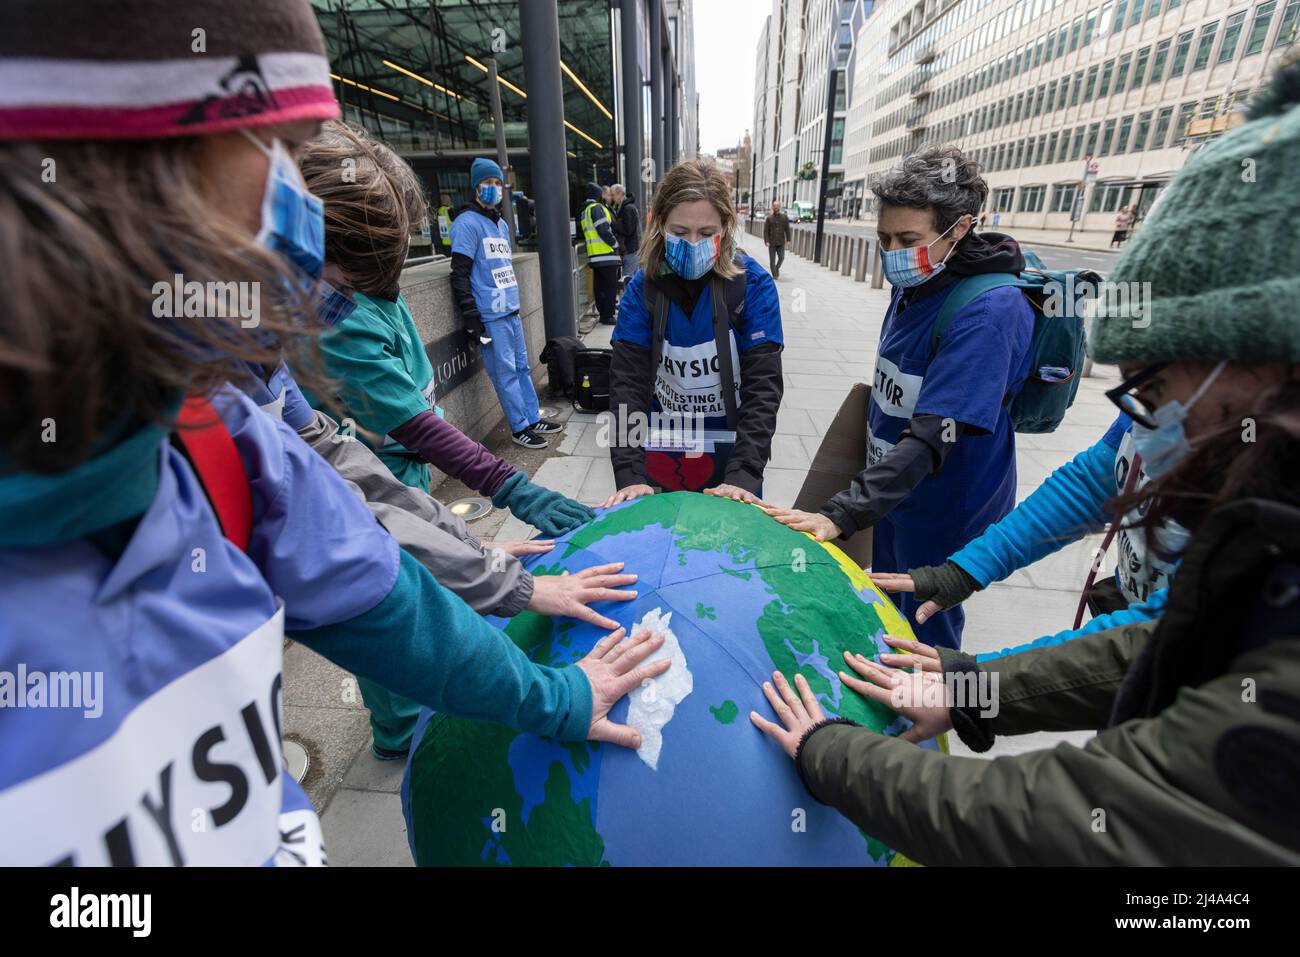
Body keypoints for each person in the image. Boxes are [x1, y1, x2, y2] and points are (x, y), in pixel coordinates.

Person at [0, 0, 667, 866]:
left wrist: (540, 659)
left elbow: (370, 553)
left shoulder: (220, 438)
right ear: (123, 163)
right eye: (278, 152)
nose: (297, 211)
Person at [751, 66, 1300, 864]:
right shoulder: (1249, 485)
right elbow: (1141, 630)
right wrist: (967, 642)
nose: (1141, 415)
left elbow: (1076, 817)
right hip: (914, 524)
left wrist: (833, 753)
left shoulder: (992, 308)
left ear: (1267, 364)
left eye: (1156, 382)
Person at [297, 125, 592, 757]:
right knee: (397, 633)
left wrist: (462, 545)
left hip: (383, 481)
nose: (373, 290)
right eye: (349, 282)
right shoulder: (308, 325)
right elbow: (350, 529)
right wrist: (498, 575)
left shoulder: (355, 293)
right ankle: (405, 738)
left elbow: (336, 460)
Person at [766, 145, 1034, 651]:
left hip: (943, 503)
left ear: (959, 230)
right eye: (884, 237)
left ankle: (922, 718)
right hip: (891, 492)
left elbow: (935, 438)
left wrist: (840, 513)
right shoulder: (917, 282)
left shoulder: (991, 311)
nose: (893, 253)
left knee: (925, 628)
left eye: (908, 239)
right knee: (885, 603)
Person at [869, 411, 1179, 661]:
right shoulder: (1166, 390)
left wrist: (975, 686)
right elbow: (1090, 486)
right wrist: (964, 570)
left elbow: (1143, 637)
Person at [602, 158, 784, 505]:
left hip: (732, 452)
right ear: (658, 226)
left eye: (707, 233)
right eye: (679, 233)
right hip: (662, 447)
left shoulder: (753, 285)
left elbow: (764, 387)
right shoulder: (643, 288)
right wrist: (629, 473)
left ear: (726, 228)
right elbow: (627, 382)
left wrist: (744, 474)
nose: (692, 243)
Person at [448, 156, 560, 449]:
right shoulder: (466, 223)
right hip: (490, 315)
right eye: (487, 183)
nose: (493, 188)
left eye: (497, 183)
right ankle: (519, 426)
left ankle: (531, 416)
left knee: (521, 367)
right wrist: (471, 316)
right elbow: (459, 274)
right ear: (475, 187)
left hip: (510, 310)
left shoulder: (500, 224)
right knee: (505, 373)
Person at [581, 182, 623, 326]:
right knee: (610, 287)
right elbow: (604, 230)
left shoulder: (585, 211)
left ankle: (603, 314)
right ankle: (608, 315)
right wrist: (615, 244)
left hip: (595, 256)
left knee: (600, 287)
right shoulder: (597, 208)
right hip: (607, 255)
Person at [610, 183, 642, 281]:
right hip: (631, 249)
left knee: (628, 279)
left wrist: (613, 225)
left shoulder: (627, 208)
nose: (612, 198)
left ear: (620, 194)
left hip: (631, 249)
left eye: (613, 195)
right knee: (632, 279)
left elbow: (629, 229)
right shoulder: (626, 207)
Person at [763, 199, 790, 280]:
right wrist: (766, 241)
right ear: (772, 207)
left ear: (780, 207)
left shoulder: (784, 217)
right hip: (771, 242)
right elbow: (766, 231)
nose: (776, 208)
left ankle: (776, 268)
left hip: (781, 242)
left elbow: (787, 229)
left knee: (781, 257)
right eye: (775, 206)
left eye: (777, 206)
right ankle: (775, 275)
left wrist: (788, 239)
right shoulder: (769, 218)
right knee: (772, 260)